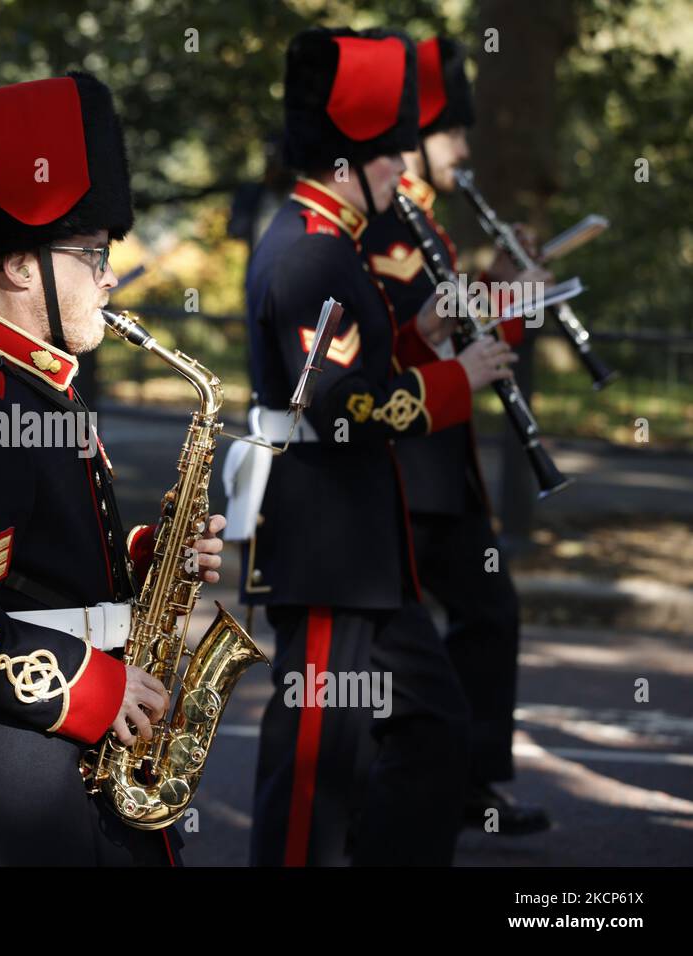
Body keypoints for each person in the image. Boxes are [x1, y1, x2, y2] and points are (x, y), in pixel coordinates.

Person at [0, 72, 227, 865]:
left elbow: (35, 567)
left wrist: (153, 557)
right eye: (90, 253)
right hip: (22, 776)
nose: (109, 275)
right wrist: (93, 692)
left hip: (59, 758)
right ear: (15, 264)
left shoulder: (33, 382)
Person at [233, 27, 517, 866]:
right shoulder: (312, 257)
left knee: (433, 724)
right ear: (344, 162)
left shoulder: (331, 249)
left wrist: (415, 332)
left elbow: (356, 365)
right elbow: (344, 408)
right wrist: (458, 377)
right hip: (325, 535)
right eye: (386, 154)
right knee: (317, 755)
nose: (401, 170)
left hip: (360, 541)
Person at [361, 36, 551, 836]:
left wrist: (514, 300)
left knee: (488, 612)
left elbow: (448, 328)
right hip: (406, 457)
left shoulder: (423, 221)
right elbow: (397, 343)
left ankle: (469, 780)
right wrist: (506, 308)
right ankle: (384, 793)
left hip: (446, 454)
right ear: (416, 134)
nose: (464, 149)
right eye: (453, 133)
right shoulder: (385, 229)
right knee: (401, 650)